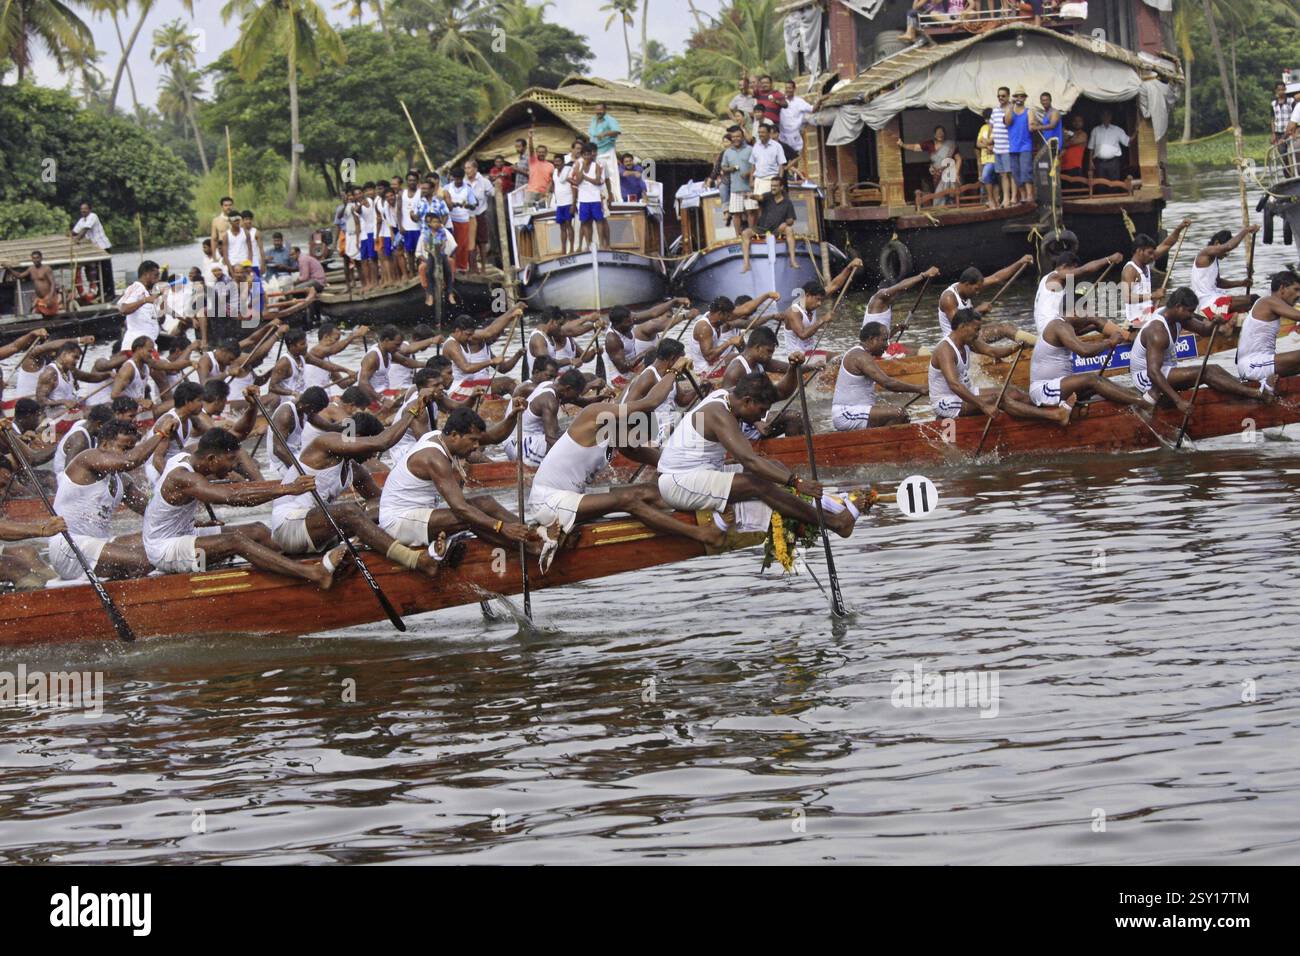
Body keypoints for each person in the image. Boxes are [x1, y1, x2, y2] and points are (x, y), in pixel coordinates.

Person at [656, 370, 868, 539]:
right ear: (747, 401)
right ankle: (835, 523)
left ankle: (827, 507)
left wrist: (793, 368)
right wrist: (797, 482)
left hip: (700, 472)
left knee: (774, 465)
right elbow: (750, 460)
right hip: (678, 483)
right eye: (761, 411)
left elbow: (781, 392)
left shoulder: (730, 395)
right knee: (758, 484)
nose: (763, 417)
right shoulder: (719, 414)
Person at [143, 428, 347, 586]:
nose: (233, 466)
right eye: (231, 460)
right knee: (236, 541)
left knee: (258, 530)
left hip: (185, 532)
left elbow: (236, 433)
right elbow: (231, 497)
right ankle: (313, 573)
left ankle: (301, 560)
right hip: (164, 550)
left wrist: (250, 406)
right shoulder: (183, 477)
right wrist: (287, 489)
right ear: (212, 459)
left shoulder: (188, 455)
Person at [378, 406, 542, 563]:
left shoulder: (442, 436)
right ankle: (530, 549)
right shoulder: (434, 458)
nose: (477, 446)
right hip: (398, 522)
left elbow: (492, 437)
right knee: (469, 518)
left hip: (420, 513)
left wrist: (512, 417)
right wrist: (501, 527)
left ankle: (534, 534)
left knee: (485, 502)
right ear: (455, 435)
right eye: (473, 441)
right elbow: (460, 508)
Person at [1130, 287, 1265, 410]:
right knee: (1206, 372)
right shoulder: (1157, 332)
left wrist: (1214, 323)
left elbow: (1204, 330)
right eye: (1190, 311)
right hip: (1146, 378)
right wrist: (1178, 402)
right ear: (1179, 307)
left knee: (1215, 368)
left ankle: (1246, 389)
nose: (1191, 315)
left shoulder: (1177, 316)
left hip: (1164, 370)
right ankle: (1257, 394)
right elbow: (1153, 372)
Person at [929, 308, 1069, 424]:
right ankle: (1054, 416)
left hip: (968, 392)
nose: (978, 334)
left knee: (1013, 392)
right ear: (962, 327)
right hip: (946, 402)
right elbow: (954, 385)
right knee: (999, 398)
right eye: (976, 329)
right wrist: (983, 406)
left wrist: (1016, 347)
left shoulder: (968, 341)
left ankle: (1055, 407)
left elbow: (993, 351)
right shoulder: (945, 350)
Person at [1028, 297, 1146, 415]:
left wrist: (1127, 335)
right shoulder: (1059, 326)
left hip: (1059, 386)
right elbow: (1084, 351)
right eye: (1087, 311)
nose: (1090, 315)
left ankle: (1139, 400)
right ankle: (1144, 404)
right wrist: (1110, 342)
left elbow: (1097, 323)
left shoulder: (1067, 325)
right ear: (1074, 311)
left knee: (1101, 382)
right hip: (1043, 390)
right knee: (1092, 379)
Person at [832, 321, 928, 429]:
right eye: (884, 340)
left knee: (903, 416)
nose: (887, 345)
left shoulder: (864, 354)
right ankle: (881, 444)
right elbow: (888, 383)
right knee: (898, 413)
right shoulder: (860, 356)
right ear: (872, 339)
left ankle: (877, 443)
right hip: (846, 413)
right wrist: (919, 388)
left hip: (859, 410)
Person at [719, 327, 805, 438]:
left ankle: (797, 451)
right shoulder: (736, 370)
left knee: (797, 418)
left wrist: (793, 368)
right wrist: (755, 422)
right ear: (757, 347)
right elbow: (727, 406)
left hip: (754, 420)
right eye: (769, 351)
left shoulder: (758, 365)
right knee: (794, 417)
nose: (770, 356)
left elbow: (779, 394)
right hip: (741, 431)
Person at [774, 258, 862, 364]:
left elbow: (834, 285)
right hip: (798, 358)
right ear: (807, 295)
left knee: (840, 358)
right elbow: (802, 335)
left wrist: (849, 267)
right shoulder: (794, 312)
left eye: (821, 300)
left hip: (810, 354)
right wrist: (822, 320)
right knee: (839, 358)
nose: (820, 303)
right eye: (818, 300)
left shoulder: (813, 301)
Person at [936, 257, 1030, 349]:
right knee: (1002, 334)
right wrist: (978, 311)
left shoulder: (970, 285)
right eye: (976, 289)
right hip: (958, 341)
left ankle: (1032, 343)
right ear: (967, 284)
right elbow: (958, 325)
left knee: (1007, 327)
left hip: (971, 335)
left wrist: (1020, 262)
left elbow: (996, 278)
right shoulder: (948, 298)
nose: (977, 293)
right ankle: (1034, 344)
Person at [603, 299, 692, 389]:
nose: (632, 323)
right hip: (622, 378)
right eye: (628, 322)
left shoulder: (629, 319)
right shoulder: (612, 339)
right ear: (617, 324)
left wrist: (674, 302)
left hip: (634, 368)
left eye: (631, 320)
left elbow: (653, 313)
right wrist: (644, 353)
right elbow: (623, 368)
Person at [1236, 270, 1300, 394]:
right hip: (1252, 366)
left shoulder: (1269, 303)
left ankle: (1269, 389)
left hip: (1262, 363)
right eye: (1296, 289)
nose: (1299, 294)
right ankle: (1266, 389)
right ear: (1282, 288)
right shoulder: (1268, 301)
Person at [688, 292, 780, 378]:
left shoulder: (717, 317)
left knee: (751, 356)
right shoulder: (704, 327)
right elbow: (709, 357)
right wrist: (729, 342)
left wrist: (767, 295)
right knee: (746, 357)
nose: (730, 319)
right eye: (728, 316)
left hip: (718, 363)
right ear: (720, 313)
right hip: (705, 371)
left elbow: (746, 309)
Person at [443, 308, 524, 401]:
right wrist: (511, 315)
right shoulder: (451, 345)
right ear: (457, 331)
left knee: (503, 398)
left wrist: (518, 354)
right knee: (508, 383)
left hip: (471, 386)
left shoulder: (465, 342)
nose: (470, 339)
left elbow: (502, 368)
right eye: (468, 335)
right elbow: (466, 368)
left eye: (471, 335)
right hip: (458, 389)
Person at [1034, 250, 1124, 333]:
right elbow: (1086, 270)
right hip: (1050, 328)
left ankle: (1119, 334)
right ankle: (1127, 337)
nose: (1074, 274)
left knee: (1093, 325)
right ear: (1064, 266)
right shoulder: (1055, 276)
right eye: (1073, 269)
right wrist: (1109, 259)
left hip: (1048, 328)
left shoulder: (1046, 279)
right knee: (1095, 318)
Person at [1120, 223, 1192, 326]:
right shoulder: (1130, 270)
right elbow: (1127, 297)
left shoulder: (1146, 260)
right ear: (1139, 251)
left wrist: (1179, 228)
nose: (1153, 257)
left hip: (1149, 312)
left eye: (1153, 253)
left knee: (1181, 308)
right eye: (1150, 253)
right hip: (1137, 320)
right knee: (1178, 312)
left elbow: (1167, 244)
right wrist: (1153, 295)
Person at [862, 266, 941, 356]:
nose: (897, 297)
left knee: (921, 349)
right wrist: (924, 275)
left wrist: (895, 329)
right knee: (922, 352)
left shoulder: (884, 304)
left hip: (878, 348)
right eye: (896, 294)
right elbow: (901, 286)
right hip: (874, 351)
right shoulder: (880, 297)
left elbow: (881, 339)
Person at [1190, 225, 1258, 320]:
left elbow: (1218, 282)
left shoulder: (1214, 260)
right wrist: (1246, 230)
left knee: (1251, 303)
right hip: (1209, 303)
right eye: (1225, 252)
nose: (1226, 254)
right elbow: (1229, 246)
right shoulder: (1205, 253)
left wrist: (1241, 283)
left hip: (1216, 298)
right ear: (1217, 243)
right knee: (1254, 300)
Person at [741, 176, 798, 273]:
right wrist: (751, 196)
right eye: (772, 186)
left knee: (789, 230)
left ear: (781, 187)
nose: (773, 188)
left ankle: (792, 260)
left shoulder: (787, 203)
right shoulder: (767, 196)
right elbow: (759, 197)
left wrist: (785, 223)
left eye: (775, 186)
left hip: (777, 230)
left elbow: (791, 220)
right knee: (745, 233)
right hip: (762, 228)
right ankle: (746, 263)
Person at [902, 126, 960, 203]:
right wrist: (903, 145)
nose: (940, 134)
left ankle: (951, 206)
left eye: (942, 132)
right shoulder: (930, 144)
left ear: (944, 134)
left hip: (948, 172)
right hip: (935, 174)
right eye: (938, 132)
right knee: (938, 193)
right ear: (934, 135)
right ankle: (940, 208)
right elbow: (915, 147)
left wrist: (956, 173)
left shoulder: (950, 145)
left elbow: (959, 159)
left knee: (950, 192)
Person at [573, 142, 610, 251]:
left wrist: (586, 177)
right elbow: (578, 181)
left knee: (599, 221)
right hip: (583, 199)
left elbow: (598, 181)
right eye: (585, 154)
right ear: (582, 155)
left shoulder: (597, 165)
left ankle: (602, 245)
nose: (587, 156)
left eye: (589, 154)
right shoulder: (578, 164)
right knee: (584, 222)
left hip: (595, 198)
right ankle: (588, 244)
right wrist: (582, 169)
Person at [118, 259, 164, 344]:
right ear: (146, 274)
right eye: (156, 275)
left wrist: (161, 300)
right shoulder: (136, 288)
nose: (158, 279)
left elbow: (160, 319)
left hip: (149, 343)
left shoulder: (148, 291)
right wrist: (145, 300)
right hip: (136, 345)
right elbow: (123, 309)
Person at [3, 250, 61, 316]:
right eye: (34, 258)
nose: (36, 260)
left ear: (41, 258)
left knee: (50, 316)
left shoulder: (46, 269)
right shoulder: (31, 269)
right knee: (37, 316)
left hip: (48, 298)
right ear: (32, 259)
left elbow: (53, 283)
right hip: (39, 299)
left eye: (37, 258)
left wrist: (50, 296)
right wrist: (9, 269)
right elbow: (19, 276)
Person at [720, 126, 755, 231]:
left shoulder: (750, 149)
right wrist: (730, 169)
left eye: (738, 136)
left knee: (751, 212)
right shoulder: (727, 152)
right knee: (736, 214)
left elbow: (757, 166)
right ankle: (738, 237)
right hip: (735, 188)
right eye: (733, 137)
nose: (736, 138)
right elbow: (723, 167)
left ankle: (753, 234)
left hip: (749, 188)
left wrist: (749, 173)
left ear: (742, 137)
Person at [1003, 87, 1034, 204]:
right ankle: (1023, 195)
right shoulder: (1009, 110)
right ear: (1014, 97)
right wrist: (1011, 107)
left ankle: (1030, 195)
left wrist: (1032, 125)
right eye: (1017, 96)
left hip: (1025, 146)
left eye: (1022, 96)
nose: (1019, 98)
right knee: (1015, 173)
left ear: (1025, 98)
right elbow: (1008, 122)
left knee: (1026, 171)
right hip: (1013, 147)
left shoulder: (1029, 111)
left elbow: (1031, 125)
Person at [587, 103, 623, 202]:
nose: (598, 112)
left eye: (600, 110)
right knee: (597, 175)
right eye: (597, 110)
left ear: (605, 110)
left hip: (607, 150)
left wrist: (605, 134)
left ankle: (615, 198)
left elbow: (617, 131)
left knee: (610, 176)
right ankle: (601, 198)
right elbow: (592, 135)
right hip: (595, 152)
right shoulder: (593, 120)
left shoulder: (610, 120)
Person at [444, 167, 477, 273]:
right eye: (456, 179)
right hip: (449, 220)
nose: (458, 181)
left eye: (460, 179)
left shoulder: (468, 189)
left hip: (463, 219)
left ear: (463, 178)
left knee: (462, 244)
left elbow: (474, 204)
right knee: (450, 243)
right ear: (453, 178)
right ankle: (450, 267)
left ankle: (461, 267)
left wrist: (467, 205)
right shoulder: (447, 188)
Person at [463, 159, 494, 273]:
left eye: (469, 168)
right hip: (468, 215)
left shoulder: (484, 181)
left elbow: (492, 192)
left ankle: (484, 267)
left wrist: (497, 186)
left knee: (482, 242)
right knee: (471, 242)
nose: (467, 170)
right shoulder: (463, 182)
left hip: (480, 213)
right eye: (466, 168)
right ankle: (473, 267)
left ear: (475, 169)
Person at [552, 139, 581, 255]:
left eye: (559, 161)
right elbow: (555, 186)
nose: (557, 163)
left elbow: (574, 186)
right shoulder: (554, 172)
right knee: (562, 227)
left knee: (569, 226)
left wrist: (574, 204)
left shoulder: (568, 170)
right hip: (559, 203)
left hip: (569, 202)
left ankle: (572, 249)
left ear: (563, 162)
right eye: (555, 162)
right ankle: (563, 249)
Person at [1087, 109, 1130, 183]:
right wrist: (1090, 161)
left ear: (1111, 117)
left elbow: (1127, 142)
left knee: (1114, 183)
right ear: (1100, 117)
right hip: (1100, 163)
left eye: (1108, 115)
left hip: (1113, 162)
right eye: (1103, 115)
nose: (1106, 117)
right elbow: (1091, 147)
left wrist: (1136, 132)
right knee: (1101, 184)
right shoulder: (1095, 130)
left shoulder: (1117, 130)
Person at [749, 122, 787, 203]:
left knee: (769, 204)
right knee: (758, 206)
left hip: (770, 179)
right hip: (758, 180)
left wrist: (779, 181)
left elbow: (781, 165)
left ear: (769, 133)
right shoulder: (756, 146)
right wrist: (751, 180)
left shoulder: (777, 146)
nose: (760, 134)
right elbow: (753, 165)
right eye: (759, 132)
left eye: (763, 132)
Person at [778, 80, 814, 163]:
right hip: (782, 136)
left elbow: (812, 109)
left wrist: (820, 101)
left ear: (794, 89)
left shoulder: (799, 101)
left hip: (795, 136)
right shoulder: (781, 101)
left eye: (790, 88)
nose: (788, 90)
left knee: (796, 159)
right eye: (786, 88)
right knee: (783, 160)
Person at [990, 87, 1014, 208]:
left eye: (1003, 96)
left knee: (1010, 174)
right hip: (997, 148)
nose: (1001, 98)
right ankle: (1005, 198)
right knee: (1002, 175)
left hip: (1007, 147)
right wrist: (990, 140)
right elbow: (992, 126)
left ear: (1008, 96)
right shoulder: (995, 110)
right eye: (999, 96)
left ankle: (1011, 198)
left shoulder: (1012, 109)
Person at [524, 127, 555, 208]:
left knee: (542, 215)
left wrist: (547, 192)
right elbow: (531, 149)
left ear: (546, 153)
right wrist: (530, 137)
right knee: (528, 213)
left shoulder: (551, 165)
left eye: (543, 152)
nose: (541, 154)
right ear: (536, 153)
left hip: (543, 193)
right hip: (531, 192)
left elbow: (551, 181)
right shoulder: (533, 161)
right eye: (539, 152)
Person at [976, 109, 999, 208]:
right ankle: (994, 201)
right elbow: (977, 143)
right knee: (992, 180)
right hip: (985, 158)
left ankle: (991, 200)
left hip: (996, 157)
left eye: (989, 118)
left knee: (987, 177)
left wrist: (987, 142)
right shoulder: (983, 128)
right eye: (985, 119)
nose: (987, 121)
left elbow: (998, 141)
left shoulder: (998, 127)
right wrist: (987, 145)